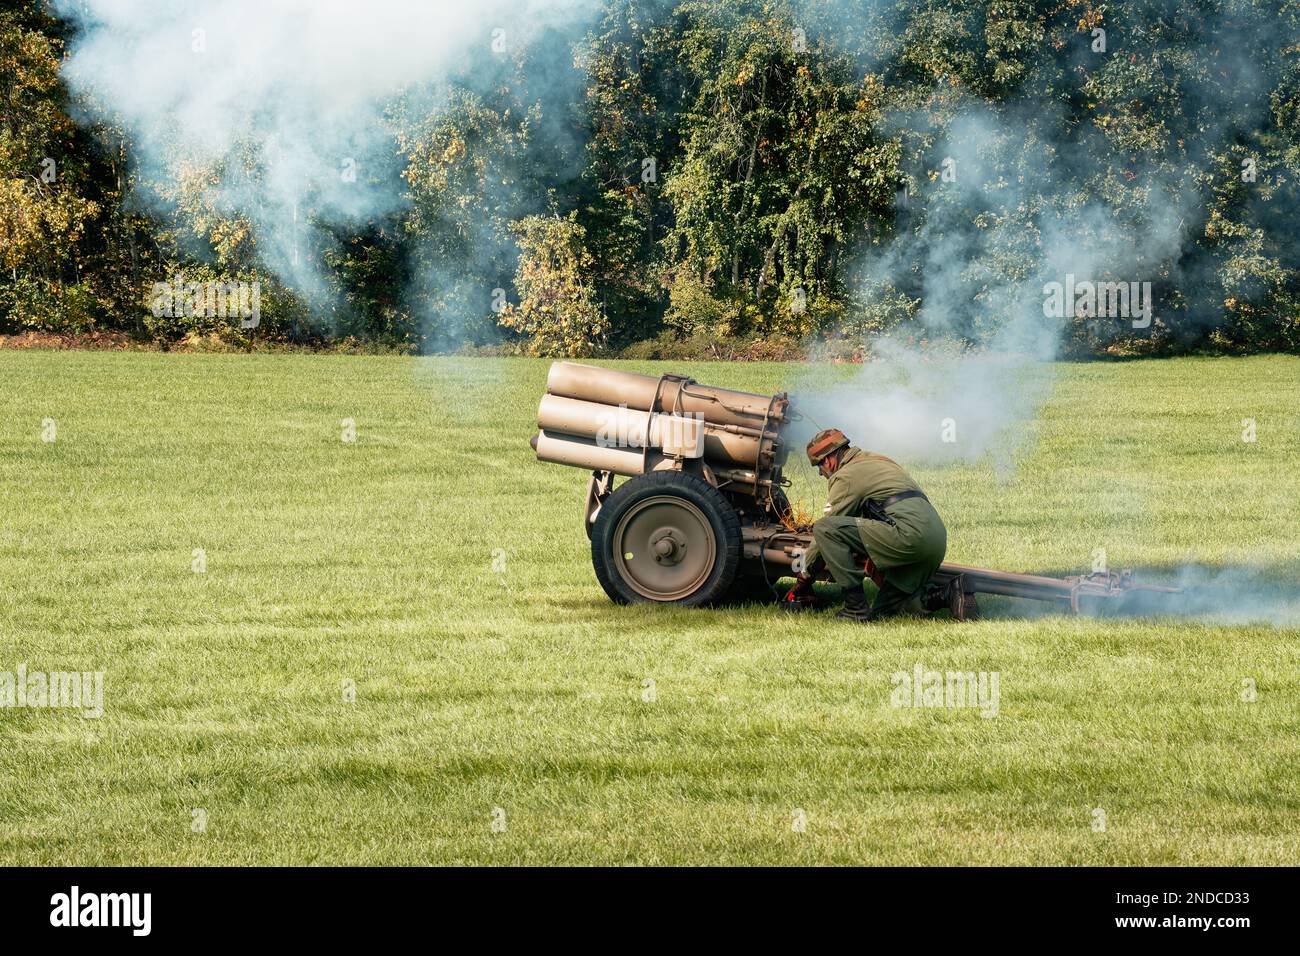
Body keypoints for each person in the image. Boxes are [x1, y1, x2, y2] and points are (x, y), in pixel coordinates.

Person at [788, 428, 974, 622]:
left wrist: (804, 576)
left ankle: (855, 608)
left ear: (828, 460)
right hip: (935, 539)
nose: (820, 473)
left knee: (824, 528)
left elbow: (826, 531)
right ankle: (950, 594)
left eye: (818, 466)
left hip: (909, 535)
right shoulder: (877, 460)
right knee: (886, 609)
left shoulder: (846, 476)